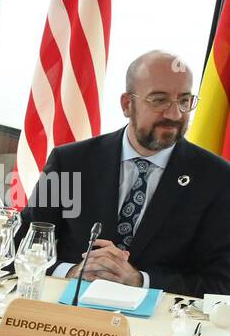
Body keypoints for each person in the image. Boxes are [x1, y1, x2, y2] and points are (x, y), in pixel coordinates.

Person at [18, 49, 230, 297]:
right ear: (127, 104)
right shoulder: (70, 162)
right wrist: (73, 272)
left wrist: (140, 280)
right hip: (68, 308)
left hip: (156, 319)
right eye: (159, 100)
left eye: (184, 101)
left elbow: (222, 282)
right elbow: (21, 247)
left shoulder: (217, 179)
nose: (175, 114)